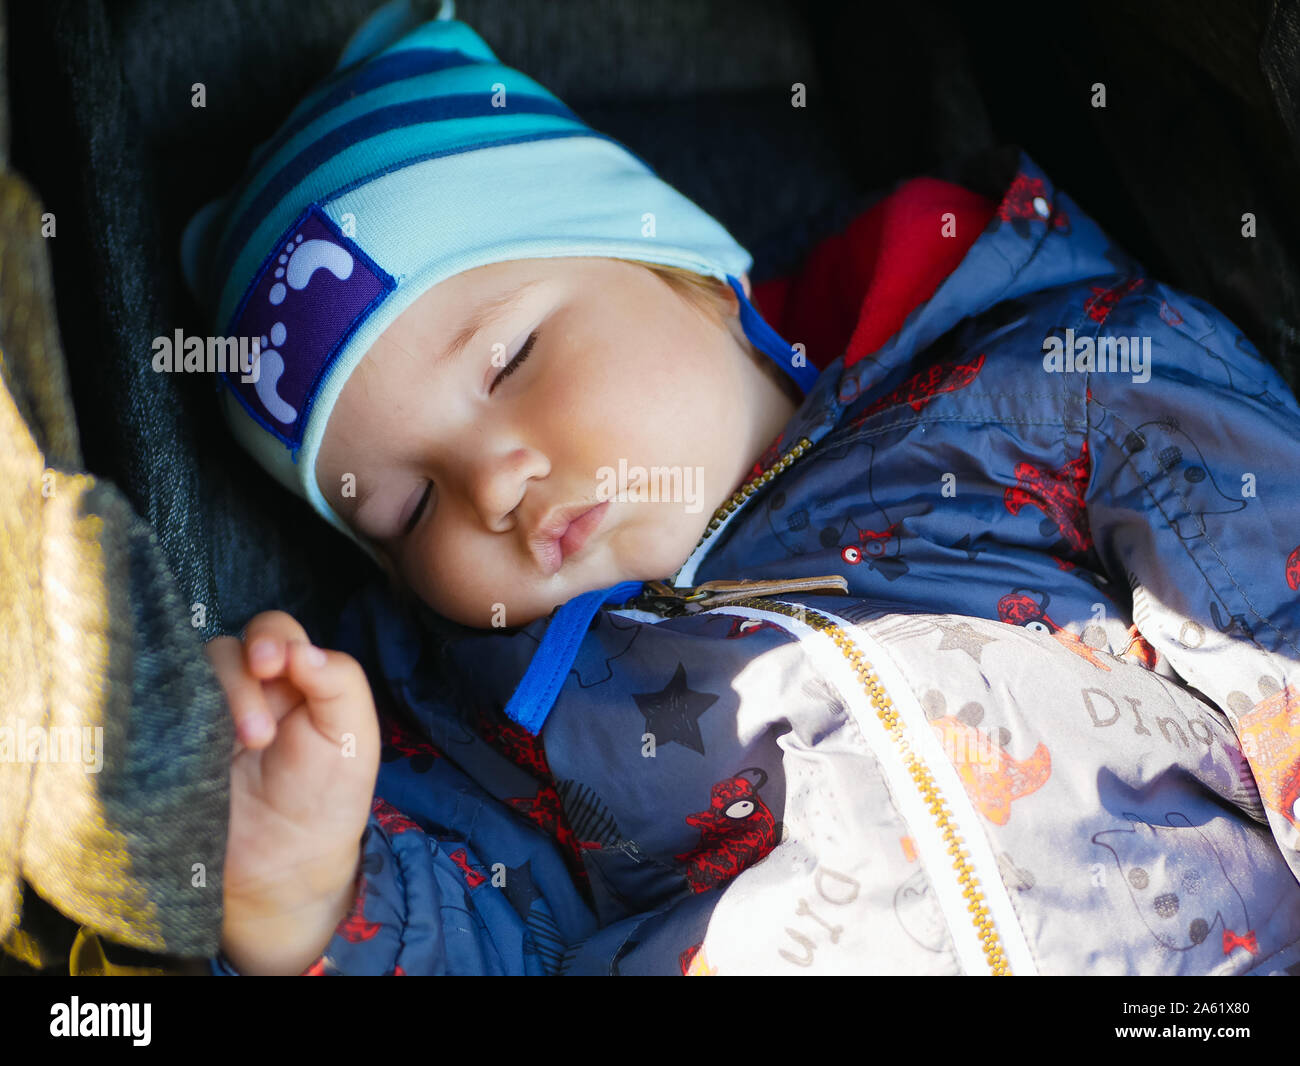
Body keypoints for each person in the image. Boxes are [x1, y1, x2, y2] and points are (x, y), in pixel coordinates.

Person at [186, 1, 1300, 975]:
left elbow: (1270, 597)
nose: (491, 483)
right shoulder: (484, 740)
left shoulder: (1041, 380)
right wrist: (309, 898)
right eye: (405, 507)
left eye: (508, 361)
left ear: (693, 273)